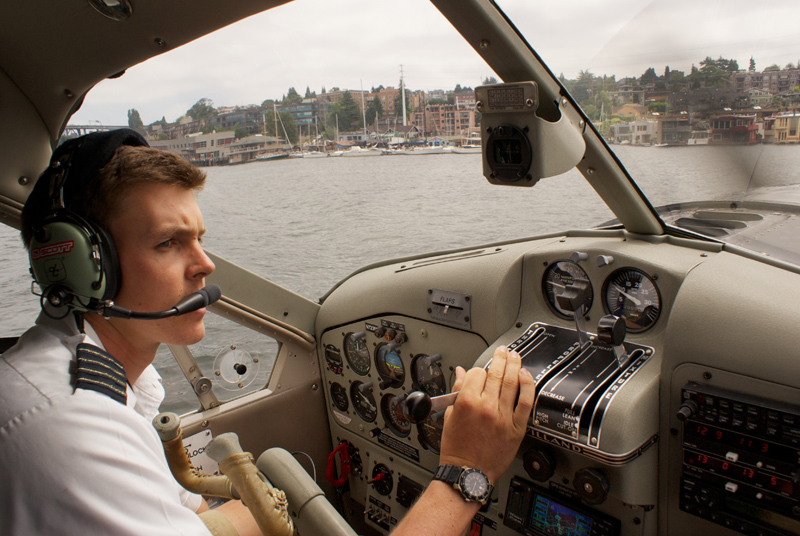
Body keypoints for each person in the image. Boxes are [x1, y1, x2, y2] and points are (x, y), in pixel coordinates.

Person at [0, 128, 534, 535]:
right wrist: (466, 472)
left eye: (200, 239)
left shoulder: (89, 380)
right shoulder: (74, 431)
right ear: (79, 266)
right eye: (168, 243)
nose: (205, 265)